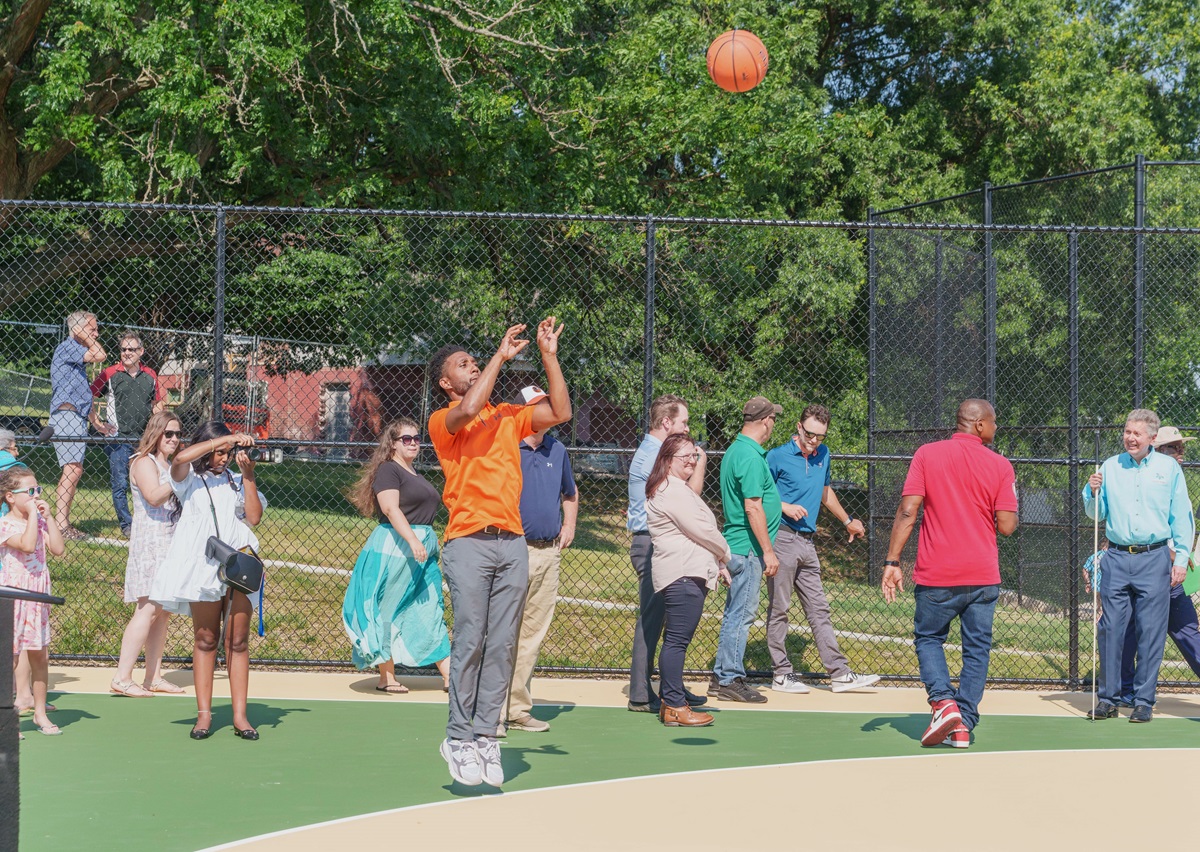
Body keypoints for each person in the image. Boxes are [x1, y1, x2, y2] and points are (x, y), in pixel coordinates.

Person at [427, 318, 571, 788]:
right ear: (446, 382)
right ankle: (458, 736)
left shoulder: (510, 415)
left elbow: (562, 412)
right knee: (471, 641)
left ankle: (487, 735)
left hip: (512, 542)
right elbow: (468, 409)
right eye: (462, 365)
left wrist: (548, 355)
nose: (471, 369)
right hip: (468, 540)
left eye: (474, 362)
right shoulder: (444, 421)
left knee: (503, 646)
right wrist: (498, 357)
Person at [881, 399, 1018, 749]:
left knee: (929, 638)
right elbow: (1007, 526)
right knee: (977, 649)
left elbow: (908, 510)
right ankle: (963, 722)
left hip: (936, 575)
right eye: (994, 422)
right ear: (980, 426)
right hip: (983, 576)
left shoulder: (926, 454)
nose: (996, 428)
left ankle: (943, 704)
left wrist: (892, 561)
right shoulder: (1001, 465)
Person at [149, 421, 265, 740]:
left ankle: (240, 716)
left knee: (238, 641)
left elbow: (254, 517)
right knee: (206, 638)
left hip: (239, 561)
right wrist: (224, 439)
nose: (224, 457)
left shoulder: (234, 480)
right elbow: (180, 459)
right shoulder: (189, 480)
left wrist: (250, 476)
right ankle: (203, 716)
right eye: (219, 452)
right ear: (208, 448)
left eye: (229, 453)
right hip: (203, 565)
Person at [1083, 409, 1192, 723]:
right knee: (1110, 629)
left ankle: (1143, 701)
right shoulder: (1109, 467)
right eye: (1127, 432)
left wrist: (1181, 560)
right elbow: (1095, 514)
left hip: (1154, 558)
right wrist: (1092, 492)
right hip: (1116, 557)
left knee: (1150, 631)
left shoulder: (1169, 468)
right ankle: (1108, 699)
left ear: (1152, 438)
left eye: (1137, 434)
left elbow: (1181, 517)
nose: (1130, 438)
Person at [765, 405, 880, 693]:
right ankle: (781, 673)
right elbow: (757, 495)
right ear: (798, 427)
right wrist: (783, 506)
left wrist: (848, 520)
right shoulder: (776, 456)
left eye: (820, 436)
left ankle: (839, 674)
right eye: (810, 434)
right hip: (781, 537)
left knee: (819, 610)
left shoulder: (823, 455)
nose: (814, 440)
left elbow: (826, 491)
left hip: (808, 542)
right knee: (780, 608)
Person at [343, 417, 451, 695]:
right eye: (407, 439)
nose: (414, 442)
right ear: (392, 444)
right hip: (397, 547)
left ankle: (451, 676)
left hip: (421, 549)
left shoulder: (413, 472)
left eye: (416, 438)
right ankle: (386, 677)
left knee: (431, 608)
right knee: (387, 609)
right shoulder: (389, 471)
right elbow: (391, 509)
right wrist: (413, 539)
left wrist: (424, 539)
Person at [626, 394, 708, 714]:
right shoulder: (653, 457)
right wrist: (698, 463)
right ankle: (641, 694)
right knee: (652, 618)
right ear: (666, 423)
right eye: (684, 422)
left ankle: (671, 686)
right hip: (652, 544)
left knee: (671, 622)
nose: (688, 428)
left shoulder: (658, 454)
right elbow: (688, 499)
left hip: (661, 543)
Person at [503, 403, 579, 734]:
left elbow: (571, 493)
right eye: (537, 409)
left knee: (531, 635)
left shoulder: (557, 448)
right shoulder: (504, 445)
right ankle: (491, 709)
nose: (545, 414)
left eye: (546, 407)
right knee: (502, 632)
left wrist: (570, 526)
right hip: (510, 550)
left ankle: (517, 708)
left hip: (548, 554)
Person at [646, 433, 731, 727]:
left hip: (688, 572)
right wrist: (725, 553)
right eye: (686, 457)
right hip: (682, 574)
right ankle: (674, 706)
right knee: (676, 642)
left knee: (676, 640)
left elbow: (698, 530)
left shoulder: (676, 488)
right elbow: (701, 530)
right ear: (668, 461)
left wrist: (717, 561)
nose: (692, 462)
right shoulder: (671, 491)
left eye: (694, 456)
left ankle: (672, 702)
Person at [1113, 426, 1200, 701]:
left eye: (1181, 447)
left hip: (1171, 571)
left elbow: (1182, 527)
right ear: (1158, 450)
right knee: (1130, 630)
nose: (1182, 453)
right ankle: (1124, 690)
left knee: (1186, 629)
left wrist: (1184, 559)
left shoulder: (1174, 479)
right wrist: (1175, 557)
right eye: (1175, 448)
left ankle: (1126, 689)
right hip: (1154, 568)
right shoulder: (1143, 480)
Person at [709, 395, 783, 704]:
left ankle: (720, 675)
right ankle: (730, 678)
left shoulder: (736, 450)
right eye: (774, 419)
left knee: (734, 613)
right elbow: (753, 507)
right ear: (766, 421)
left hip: (739, 546)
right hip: (749, 549)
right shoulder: (751, 457)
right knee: (741, 615)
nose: (774, 424)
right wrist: (768, 551)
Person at [109, 412, 184, 697]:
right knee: (148, 607)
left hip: (171, 541)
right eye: (168, 434)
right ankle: (122, 677)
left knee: (162, 613)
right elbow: (153, 496)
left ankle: (153, 676)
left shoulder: (170, 464)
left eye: (177, 434)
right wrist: (181, 478)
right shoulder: (143, 461)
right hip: (150, 542)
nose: (174, 439)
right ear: (156, 433)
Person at [2, 464, 66, 736]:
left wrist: (48, 518)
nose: (36, 495)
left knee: (40, 654)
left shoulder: (38, 520)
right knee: (11, 658)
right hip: (13, 596)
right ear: (10, 497)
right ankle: (7, 721)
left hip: (38, 594)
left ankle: (40, 713)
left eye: (38, 489)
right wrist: (32, 517)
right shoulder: (4, 524)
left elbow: (58, 549)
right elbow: (27, 545)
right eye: (29, 491)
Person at [89, 331, 164, 538]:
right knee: (120, 484)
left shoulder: (150, 375)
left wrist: (159, 431)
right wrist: (97, 424)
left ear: (141, 351)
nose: (127, 353)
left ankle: (149, 520)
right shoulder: (110, 373)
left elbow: (157, 404)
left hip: (144, 439)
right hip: (117, 439)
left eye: (132, 349)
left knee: (148, 483)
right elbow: (89, 397)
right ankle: (127, 524)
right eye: (123, 349)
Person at [49, 310, 107, 539]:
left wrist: (97, 423)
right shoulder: (69, 347)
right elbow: (101, 354)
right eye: (92, 328)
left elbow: (83, 395)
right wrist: (85, 336)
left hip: (76, 417)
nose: (97, 332)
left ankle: (63, 522)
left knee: (75, 469)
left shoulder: (77, 355)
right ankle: (61, 525)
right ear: (78, 329)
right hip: (66, 415)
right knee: (72, 469)